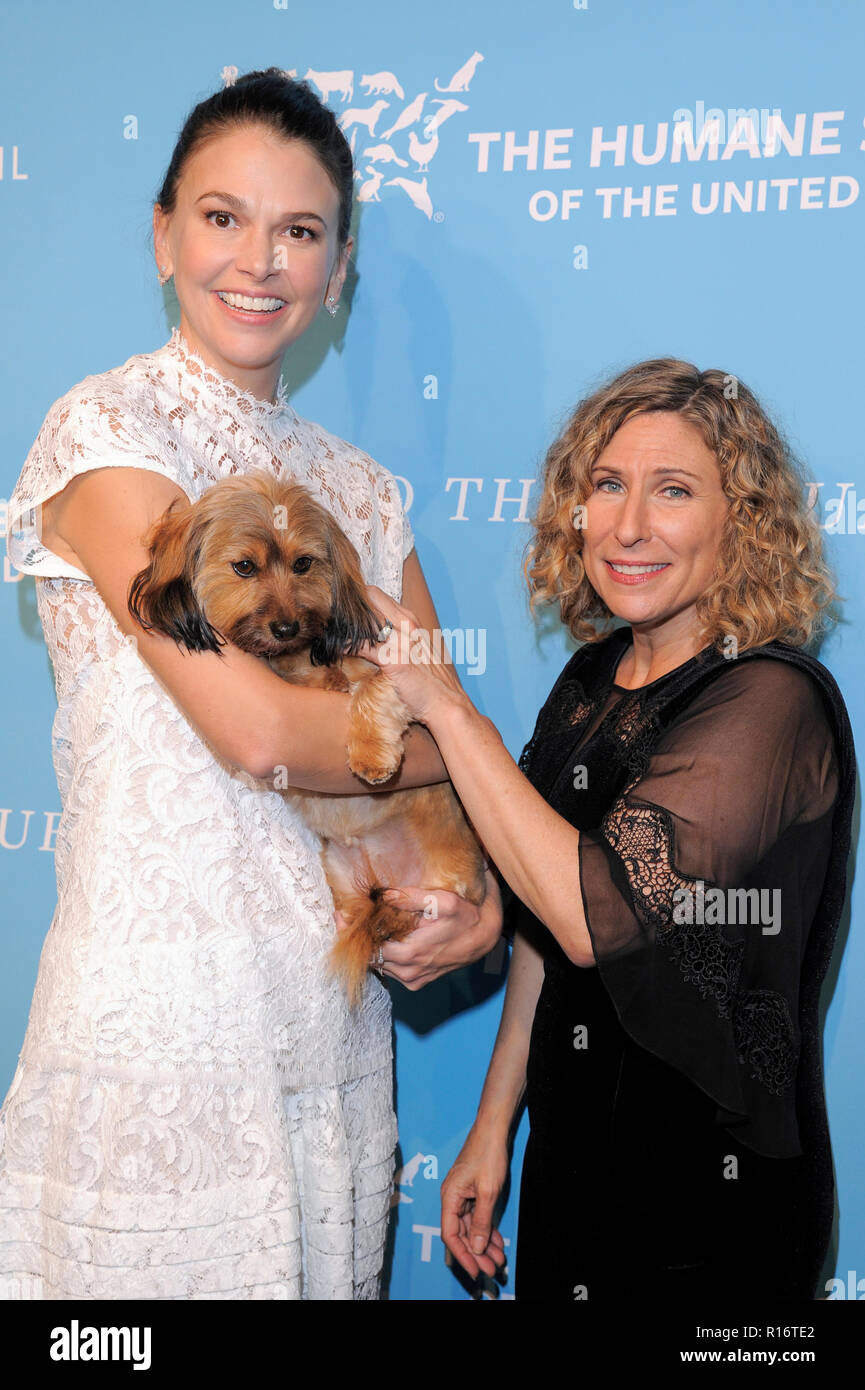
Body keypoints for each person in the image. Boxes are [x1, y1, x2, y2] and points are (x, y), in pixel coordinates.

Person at [0, 68, 501, 1301]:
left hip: (328, 1036)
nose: (260, 261)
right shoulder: (108, 433)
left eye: (301, 230)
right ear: (163, 232)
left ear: (338, 269)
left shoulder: (368, 493)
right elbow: (257, 726)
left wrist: (480, 904)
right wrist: (427, 727)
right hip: (156, 1036)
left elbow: (455, 737)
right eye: (223, 217)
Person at [359, 358, 856, 1301]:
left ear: (739, 522)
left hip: (715, 1206)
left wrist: (444, 707)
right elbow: (550, 928)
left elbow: (600, 915)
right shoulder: (590, 679)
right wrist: (493, 1124)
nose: (628, 527)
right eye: (607, 486)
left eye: (673, 492)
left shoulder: (768, 698)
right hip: (577, 1169)